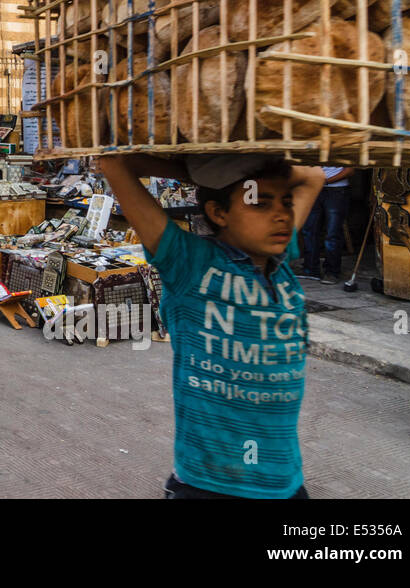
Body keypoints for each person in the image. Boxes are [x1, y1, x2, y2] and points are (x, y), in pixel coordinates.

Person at [99, 154, 325, 499]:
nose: (281, 215)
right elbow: (115, 164)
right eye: (259, 204)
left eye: (286, 203)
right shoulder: (189, 263)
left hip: (285, 483)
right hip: (209, 485)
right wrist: (205, 172)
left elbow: (312, 175)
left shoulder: (280, 260)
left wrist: (248, 169)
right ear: (219, 213)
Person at [298, 166, 353, 283]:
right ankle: (310, 268)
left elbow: (350, 170)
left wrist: (326, 181)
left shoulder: (343, 148)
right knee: (309, 230)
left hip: (337, 190)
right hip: (314, 189)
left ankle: (332, 272)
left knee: (332, 233)